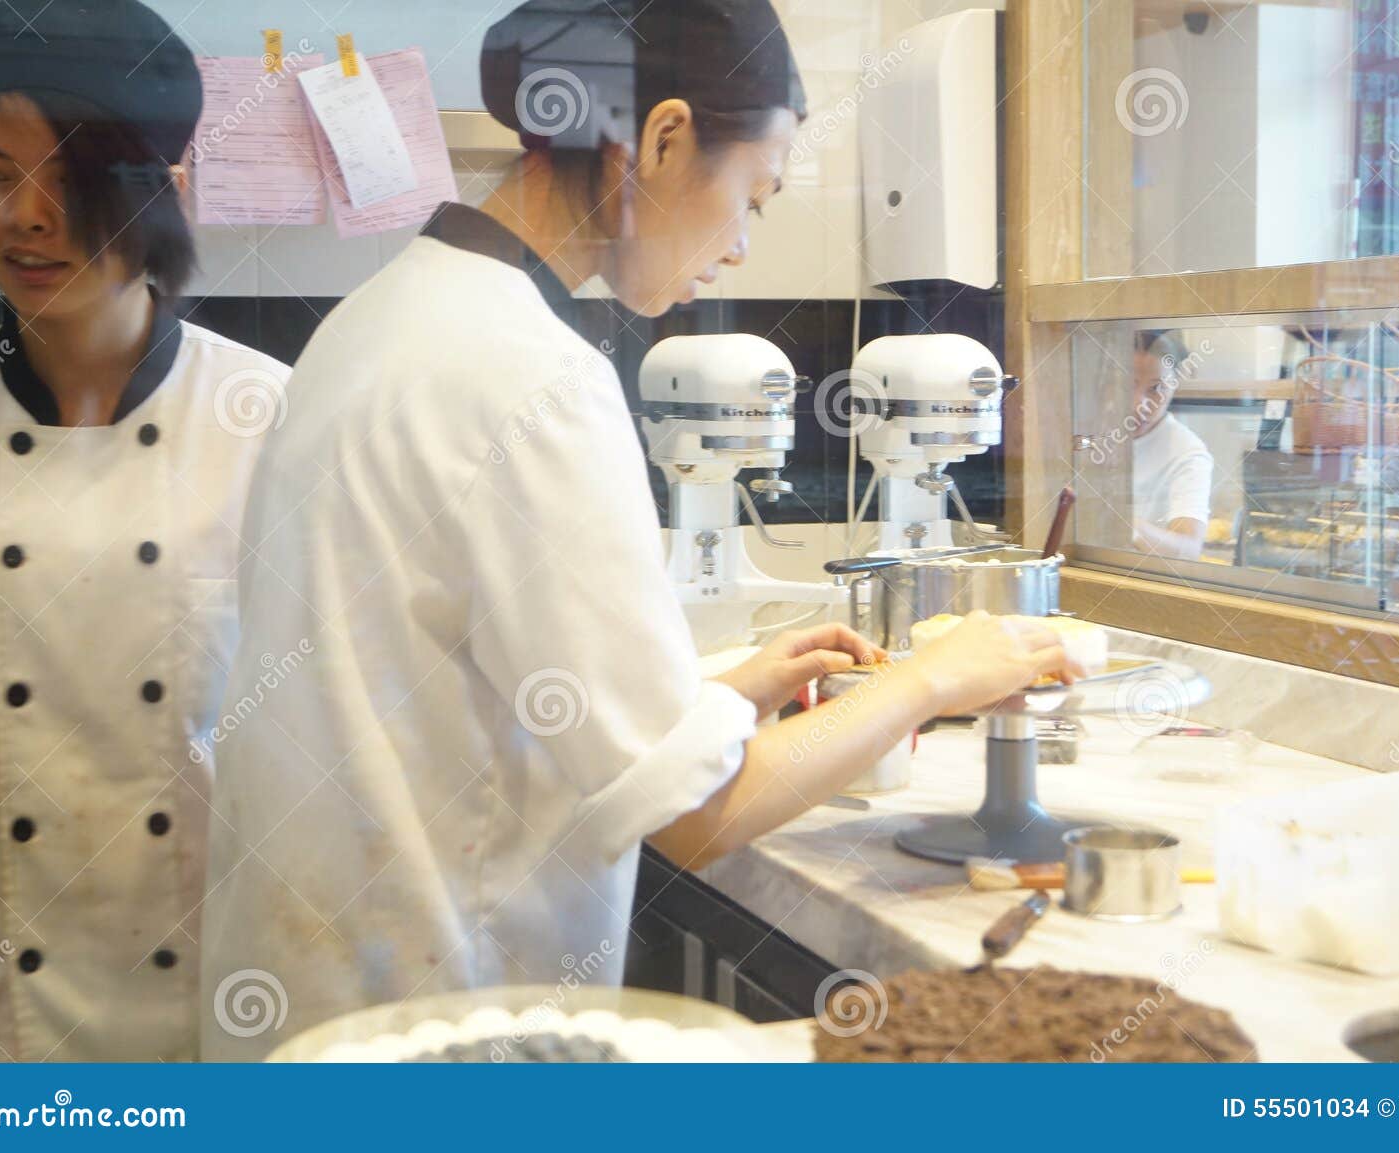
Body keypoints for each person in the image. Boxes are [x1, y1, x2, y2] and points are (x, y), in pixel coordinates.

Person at [199, 0, 1076, 1059]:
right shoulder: (531, 372)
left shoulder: (387, 315)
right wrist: (932, 679)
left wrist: (710, 697)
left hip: (316, 1008)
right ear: (660, 140)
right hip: (440, 1032)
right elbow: (696, 818)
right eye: (750, 194)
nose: (741, 244)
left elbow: (457, 675)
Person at [0, 0, 289, 1060]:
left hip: (215, 1010)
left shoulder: (278, 426)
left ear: (163, 191)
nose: (27, 215)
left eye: (73, 178)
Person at [1131, 330, 1214, 559]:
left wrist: (1126, 526)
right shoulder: (1091, 430)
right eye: (1128, 384)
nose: (1140, 403)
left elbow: (1188, 549)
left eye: (1156, 388)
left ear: (1174, 385)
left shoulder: (1188, 453)